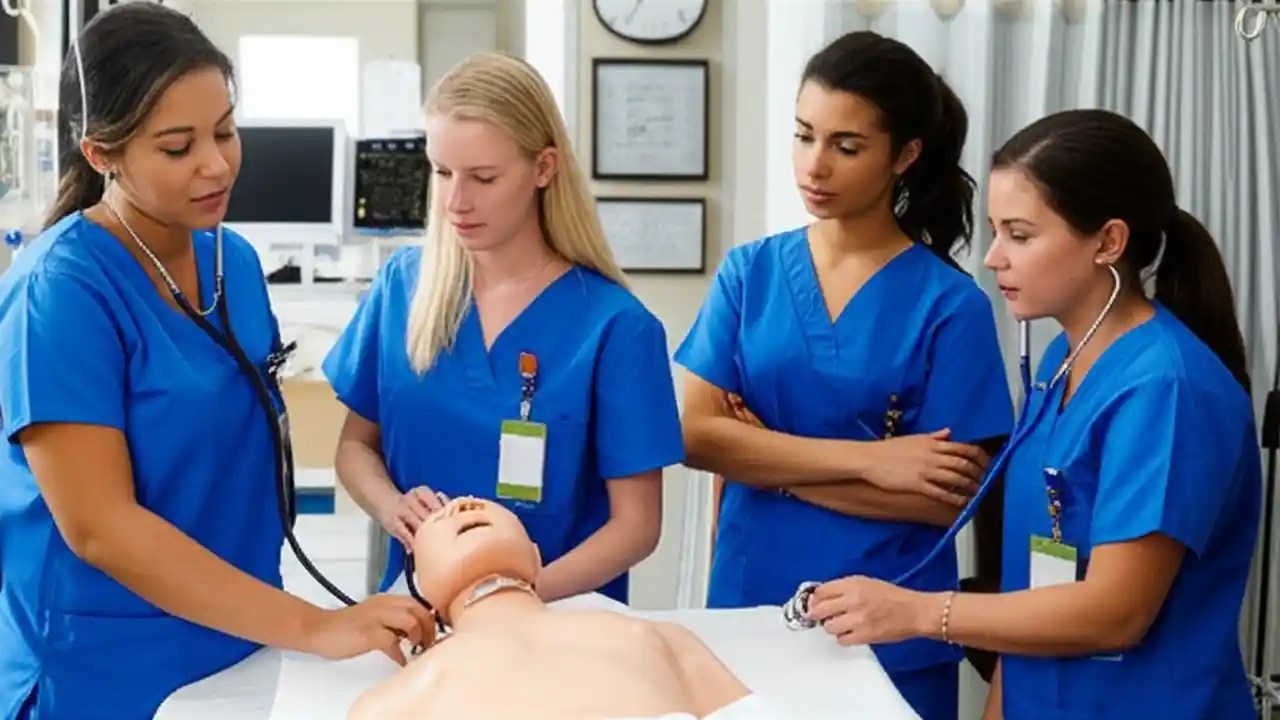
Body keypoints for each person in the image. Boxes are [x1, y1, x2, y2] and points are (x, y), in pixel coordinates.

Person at [0, 5, 433, 718]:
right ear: (101, 154)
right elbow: (100, 525)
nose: (217, 164)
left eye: (226, 131)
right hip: (104, 667)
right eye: (177, 147)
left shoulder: (233, 261)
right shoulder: (60, 293)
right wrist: (315, 625)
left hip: (234, 644)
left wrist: (292, 624)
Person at [804, 109, 1260, 720]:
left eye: (1019, 234)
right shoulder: (1059, 362)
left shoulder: (1167, 389)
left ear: (1108, 242)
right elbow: (1037, 578)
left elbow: (1114, 612)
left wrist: (917, 611)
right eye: (995, 231)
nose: (993, 258)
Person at [673, 30, 1013, 720]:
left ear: (905, 155)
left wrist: (764, 459)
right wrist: (873, 462)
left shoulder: (952, 306)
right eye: (804, 136)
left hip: (888, 623)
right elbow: (691, 434)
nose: (814, 165)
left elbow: (943, 500)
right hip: (749, 612)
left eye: (846, 146)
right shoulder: (750, 273)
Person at [322, 52, 683, 606]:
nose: (455, 202)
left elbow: (636, 527)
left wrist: (511, 594)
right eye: (442, 172)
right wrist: (390, 505)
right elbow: (354, 448)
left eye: (483, 178)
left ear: (543, 169)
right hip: (418, 609)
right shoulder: (403, 288)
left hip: (557, 619)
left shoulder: (615, 328)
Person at [346, 496, 786, 720]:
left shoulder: (655, 636)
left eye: (489, 509)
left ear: (536, 558)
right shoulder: (401, 694)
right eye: (439, 522)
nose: (463, 506)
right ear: (423, 591)